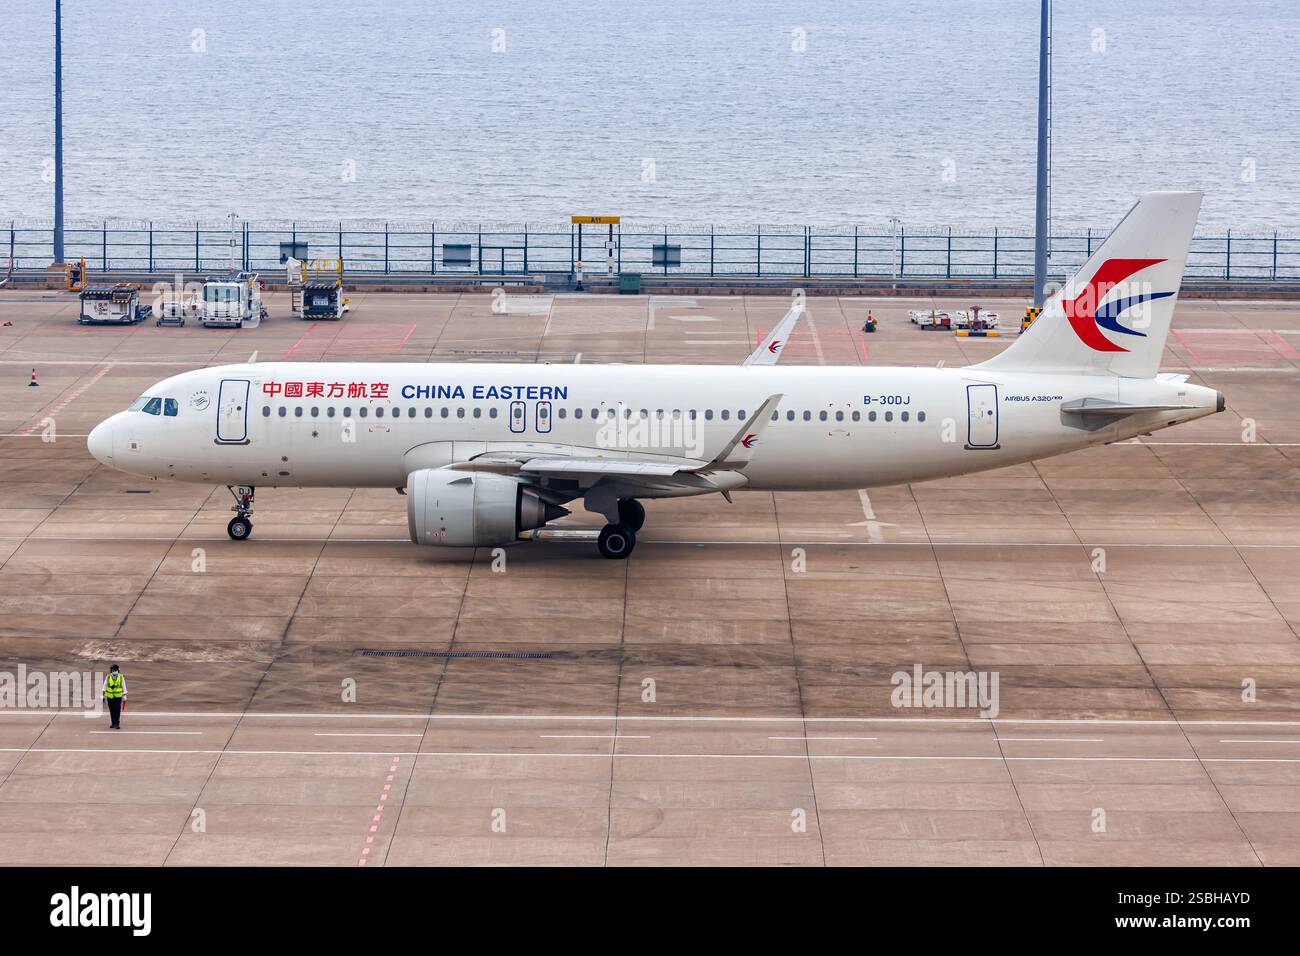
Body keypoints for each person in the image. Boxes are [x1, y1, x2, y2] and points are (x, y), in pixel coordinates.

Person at [102, 664, 127, 729]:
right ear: (111, 670)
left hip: (118, 697)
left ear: (118, 670)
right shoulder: (108, 677)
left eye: (115, 670)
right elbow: (104, 686)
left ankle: (117, 723)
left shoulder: (121, 677)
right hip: (110, 697)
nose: (114, 671)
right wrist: (103, 695)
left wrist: (124, 695)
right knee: (112, 710)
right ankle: (113, 723)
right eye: (113, 670)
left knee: (117, 710)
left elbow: (124, 686)